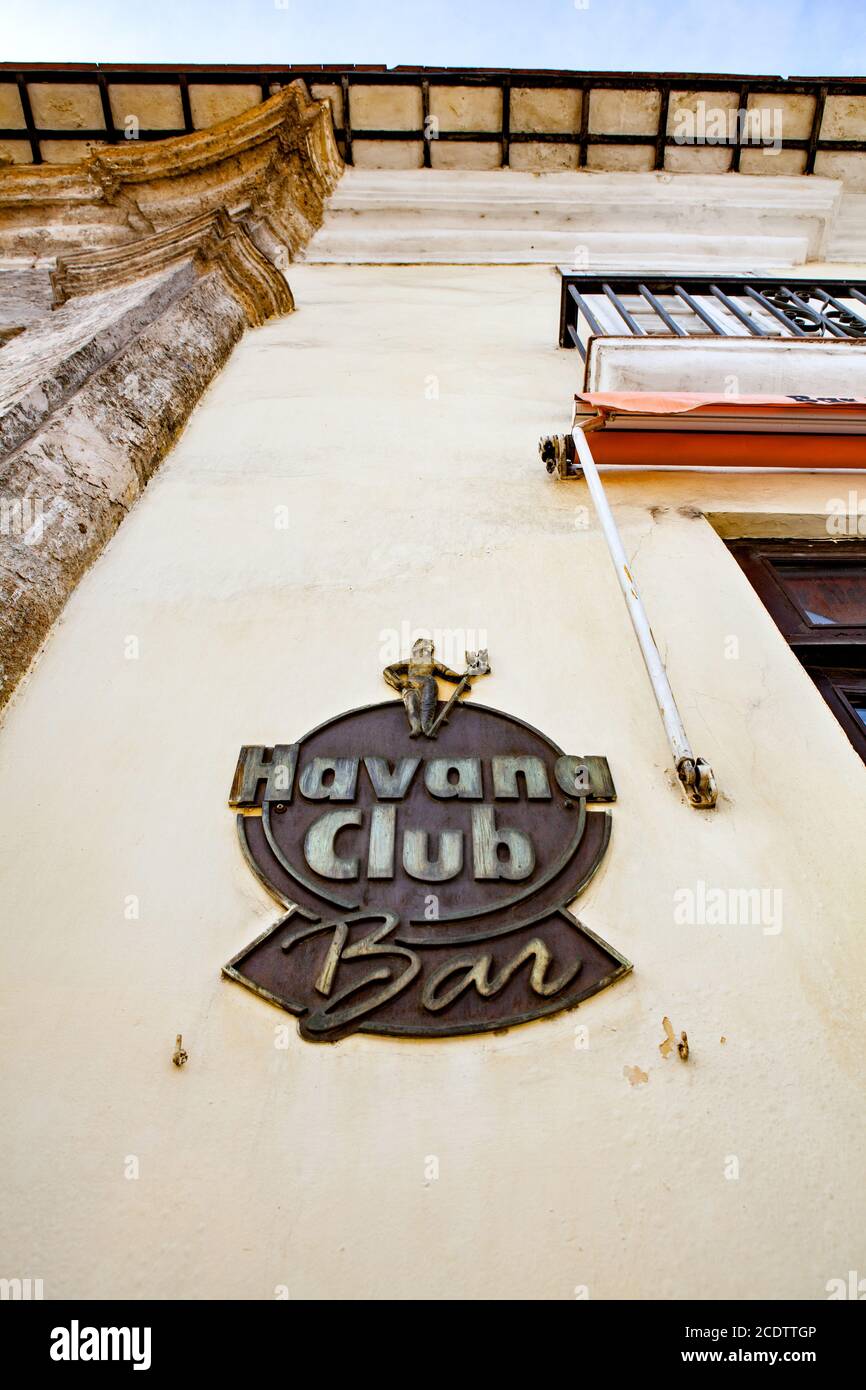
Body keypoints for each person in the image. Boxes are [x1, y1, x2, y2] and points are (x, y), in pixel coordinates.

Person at [383, 637, 465, 738]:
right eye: (425, 648)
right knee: (411, 704)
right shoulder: (410, 661)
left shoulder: (432, 661)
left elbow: (446, 671)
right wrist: (400, 683)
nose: (427, 651)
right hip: (411, 684)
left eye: (429, 649)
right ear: (417, 648)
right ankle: (415, 727)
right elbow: (388, 670)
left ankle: (427, 727)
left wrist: (460, 677)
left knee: (428, 705)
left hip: (428, 683)